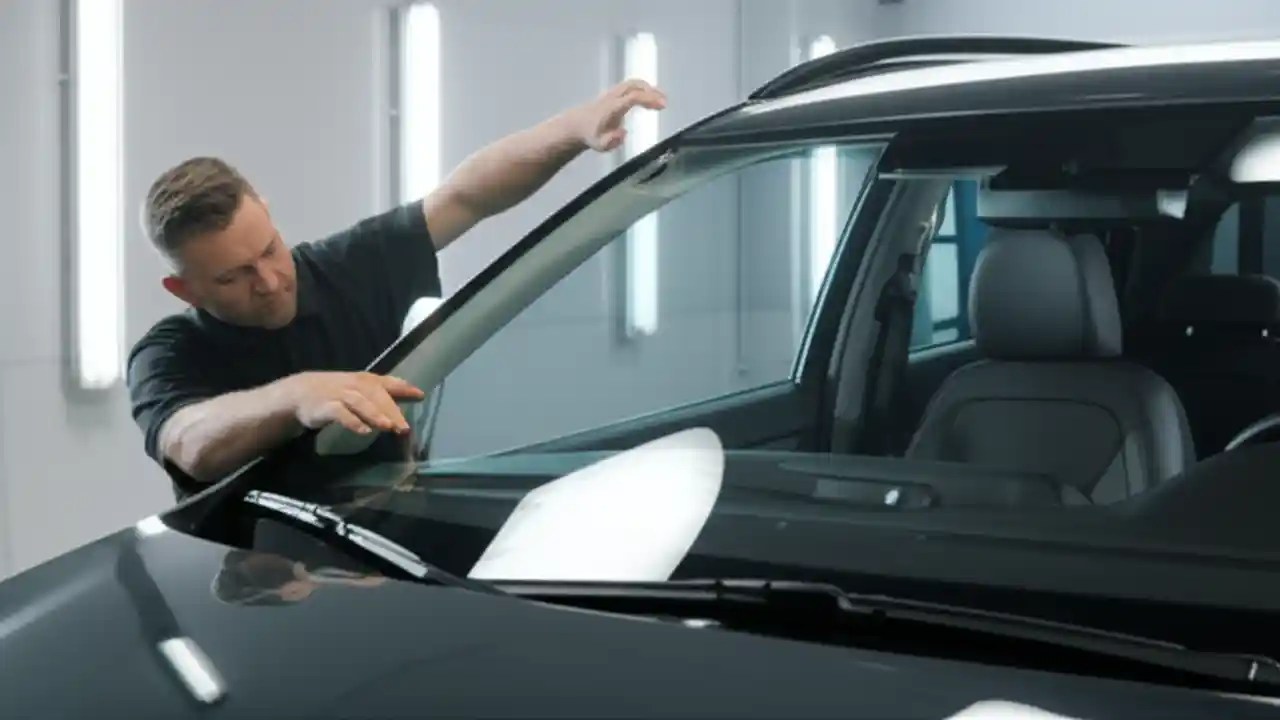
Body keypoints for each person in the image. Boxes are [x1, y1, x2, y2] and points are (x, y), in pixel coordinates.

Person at [128, 79, 667, 499]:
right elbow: (187, 443)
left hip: (389, 558)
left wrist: (573, 129)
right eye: (233, 277)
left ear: (268, 214)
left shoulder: (351, 266)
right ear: (185, 290)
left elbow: (466, 196)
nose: (268, 281)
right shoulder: (168, 353)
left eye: (269, 249)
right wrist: (298, 396)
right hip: (251, 586)